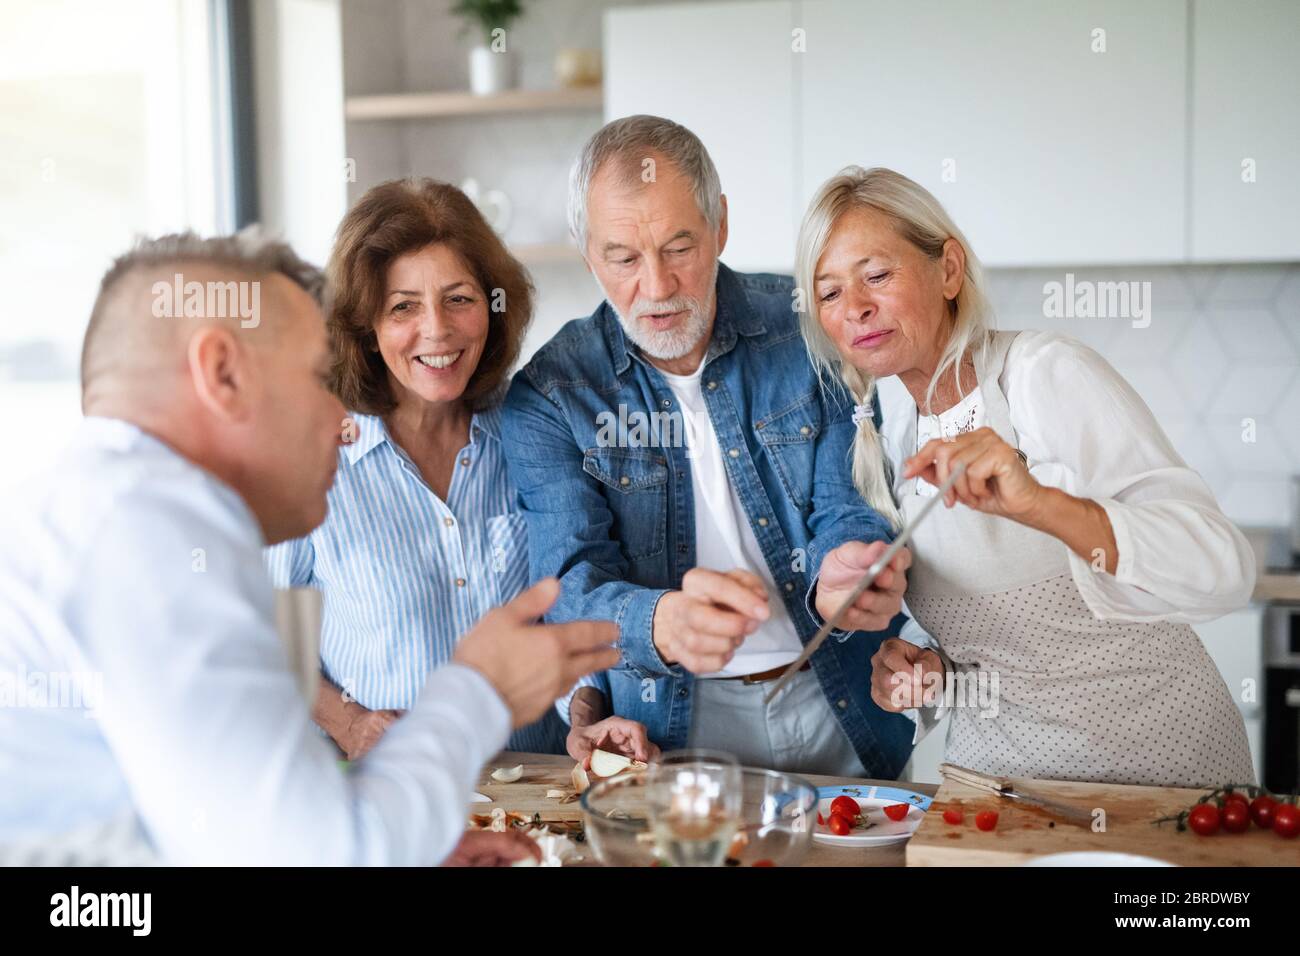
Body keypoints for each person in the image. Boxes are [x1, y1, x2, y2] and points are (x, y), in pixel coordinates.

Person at [0, 231, 618, 864]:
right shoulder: (147, 538)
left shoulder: (109, 512)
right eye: (318, 378)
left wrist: (402, 845)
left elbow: (234, 837)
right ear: (221, 375)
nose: (339, 419)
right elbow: (319, 851)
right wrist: (479, 690)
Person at [797, 165, 1256, 787]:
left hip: (1159, 781)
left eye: (877, 275)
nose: (855, 309)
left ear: (948, 270)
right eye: (829, 293)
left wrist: (1040, 503)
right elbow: (1006, 653)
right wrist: (931, 674)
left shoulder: (1044, 375)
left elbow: (1224, 571)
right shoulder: (892, 430)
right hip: (1002, 795)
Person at [501, 116, 926, 779]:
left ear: (719, 224)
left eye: (679, 248)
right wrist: (660, 620)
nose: (658, 286)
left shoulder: (810, 329)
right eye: (623, 258)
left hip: (835, 697)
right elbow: (568, 584)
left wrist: (842, 571)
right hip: (669, 721)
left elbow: (853, 496)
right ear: (589, 255)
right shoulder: (551, 395)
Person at [265, 178, 566, 759]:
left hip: (539, 798)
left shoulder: (535, 431)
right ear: (366, 329)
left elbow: (578, 594)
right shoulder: (314, 455)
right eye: (403, 306)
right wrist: (350, 724)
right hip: (387, 796)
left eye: (459, 298)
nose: (438, 329)